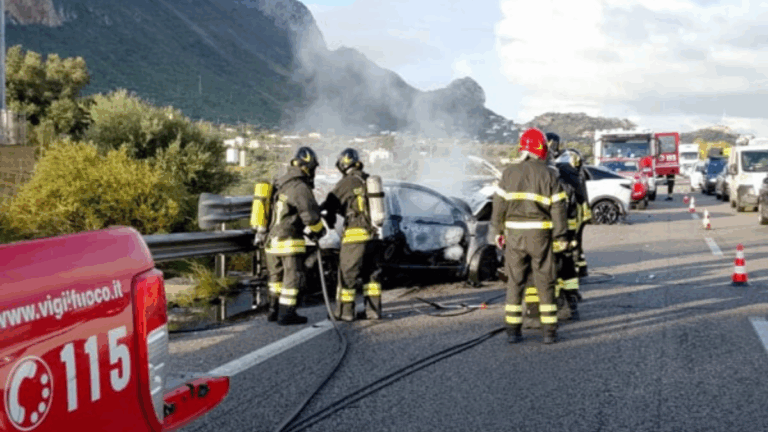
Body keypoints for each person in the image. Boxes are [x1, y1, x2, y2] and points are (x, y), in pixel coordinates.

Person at [492, 128, 568, 345]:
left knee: (515, 283)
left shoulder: (508, 173)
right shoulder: (549, 174)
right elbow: (558, 208)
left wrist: (497, 232)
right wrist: (561, 236)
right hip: (540, 235)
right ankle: (549, 333)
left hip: (514, 235)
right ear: (541, 149)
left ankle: (513, 332)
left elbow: (498, 206)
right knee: (545, 282)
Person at [265, 147, 326, 325]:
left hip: (271, 240)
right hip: (288, 240)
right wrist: (319, 231)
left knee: (275, 278)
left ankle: (273, 310)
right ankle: (286, 314)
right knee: (292, 277)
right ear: (307, 167)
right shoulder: (299, 186)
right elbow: (310, 215)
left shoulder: (281, 183)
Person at [320, 148, 383, 321]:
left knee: (348, 275)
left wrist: (328, 225)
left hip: (355, 235)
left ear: (342, 165)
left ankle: (345, 312)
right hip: (375, 236)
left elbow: (328, 207)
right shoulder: (368, 180)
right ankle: (373, 311)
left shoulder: (345, 183)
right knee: (372, 275)